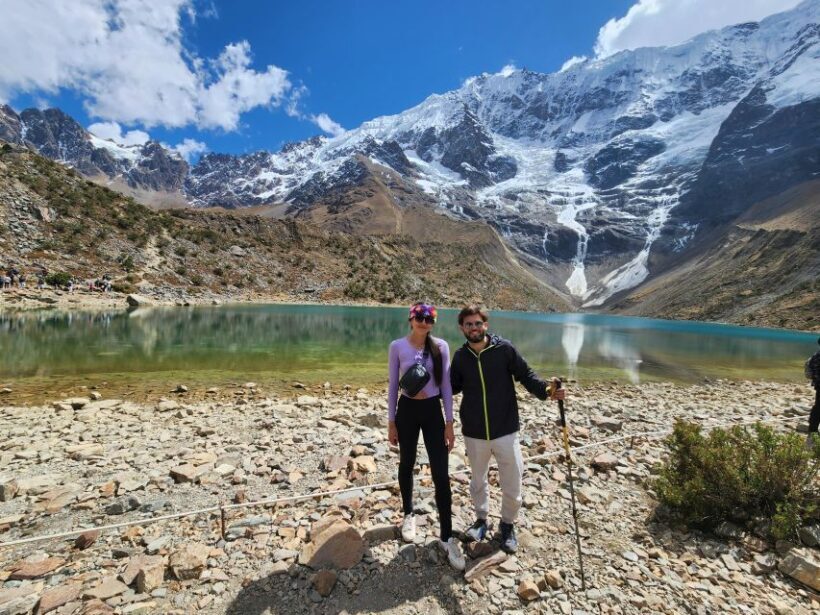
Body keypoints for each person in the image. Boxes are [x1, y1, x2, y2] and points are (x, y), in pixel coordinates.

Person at [450, 305, 566, 554]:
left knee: (512, 482)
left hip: (505, 429)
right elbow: (452, 387)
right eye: (468, 324)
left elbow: (525, 375)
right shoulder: (460, 357)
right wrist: (427, 386)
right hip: (474, 430)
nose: (474, 328)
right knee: (477, 480)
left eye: (478, 323)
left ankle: (507, 525)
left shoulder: (504, 349)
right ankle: (481, 520)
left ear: (485, 325)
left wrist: (547, 391)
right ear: (462, 328)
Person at [387, 302, 464, 571]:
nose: (424, 322)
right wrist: (391, 422)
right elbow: (393, 385)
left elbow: (445, 386)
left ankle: (446, 536)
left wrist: (449, 423)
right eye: (419, 317)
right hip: (407, 410)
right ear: (410, 319)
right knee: (406, 463)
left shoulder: (440, 347)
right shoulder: (397, 346)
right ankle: (408, 514)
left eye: (429, 318)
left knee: (441, 473)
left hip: (432, 412)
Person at [806, 337, 820, 447]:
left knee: (817, 408)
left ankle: (812, 431)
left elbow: (808, 375)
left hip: (818, 387)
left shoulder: (813, 357)